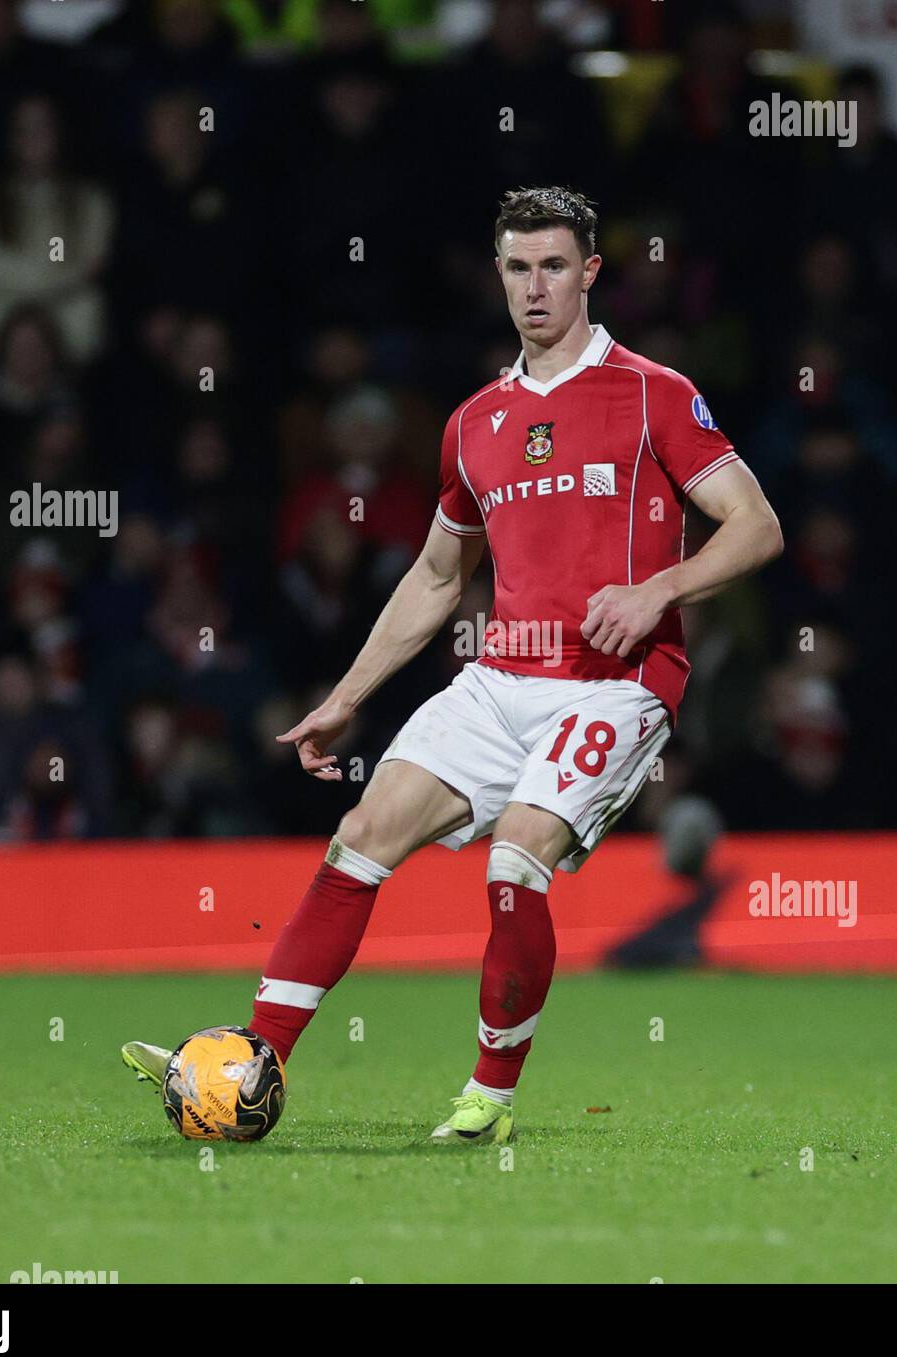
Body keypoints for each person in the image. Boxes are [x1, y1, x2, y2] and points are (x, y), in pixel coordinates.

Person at [120, 187, 783, 1143]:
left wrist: (659, 591)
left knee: (516, 857)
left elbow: (756, 526)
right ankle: (250, 1061)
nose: (536, 287)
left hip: (620, 681)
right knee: (362, 831)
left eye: (555, 266)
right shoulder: (474, 422)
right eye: (518, 267)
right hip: (498, 680)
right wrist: (345, 699)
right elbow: (437, 577)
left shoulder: (655, 393)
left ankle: (490, 1094)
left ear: (591, 272)